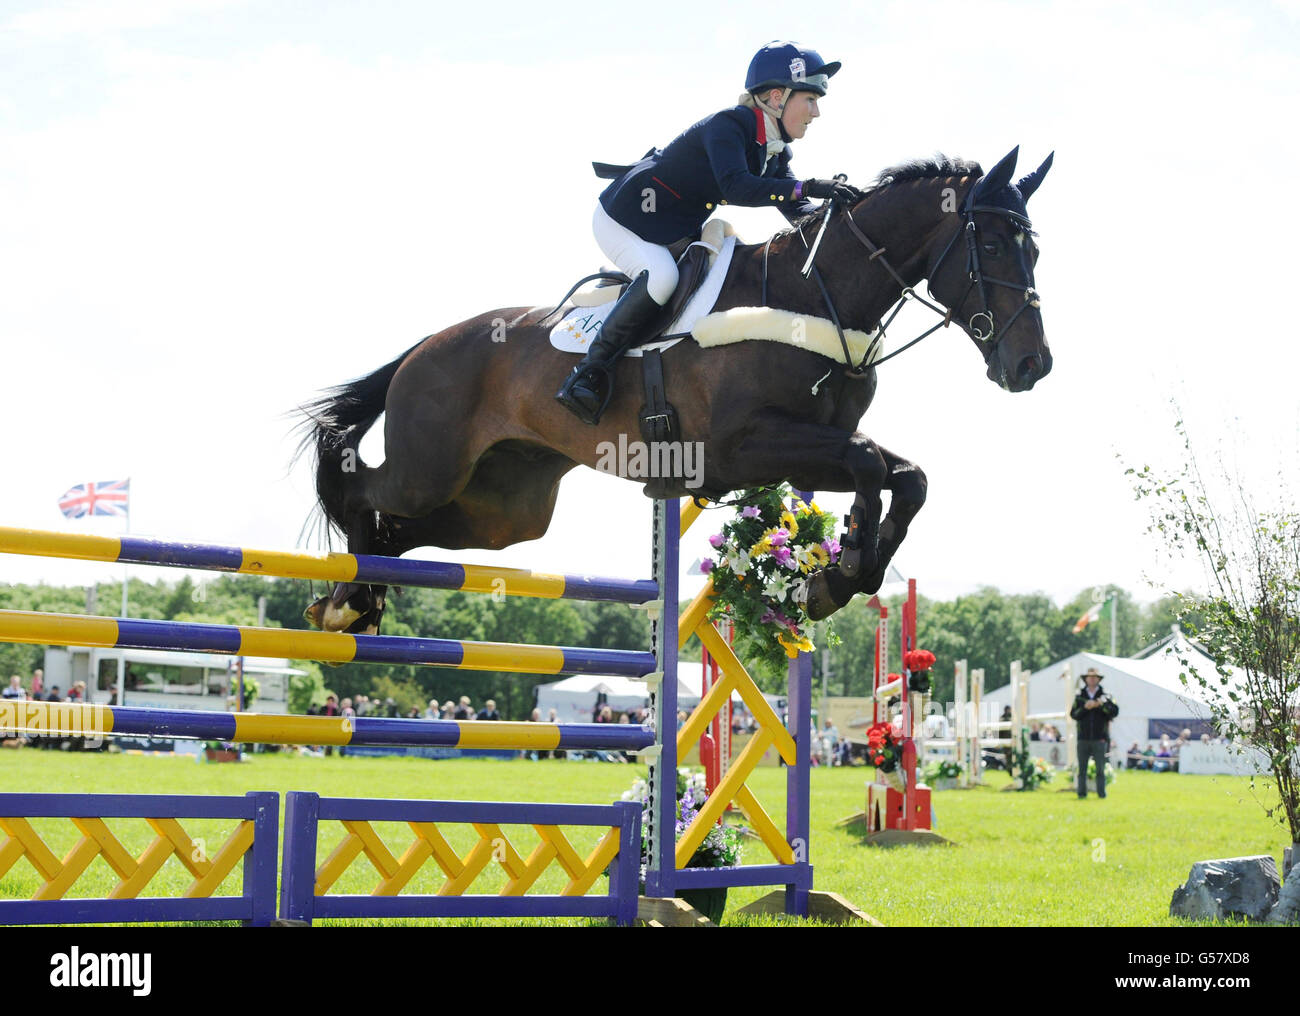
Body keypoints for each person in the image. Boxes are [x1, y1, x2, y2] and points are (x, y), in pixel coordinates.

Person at [555, 41, 862, 424]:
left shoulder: (775, 150)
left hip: (671, 227)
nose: (816, 112)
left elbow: (796, 209)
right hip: (624, 219)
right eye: (810, 99)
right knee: (662, 277)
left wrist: (843, 221)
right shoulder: (728, 126)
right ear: (776, 97)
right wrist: (809, 186)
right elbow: (738, 187)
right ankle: (588, 374)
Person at [1069, 667, 1119, 798]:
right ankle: (1081, 793)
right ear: (1086, 679)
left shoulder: (1106, 695)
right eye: (1089, 677)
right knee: (1082, 769)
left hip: (1100, 738)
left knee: (1100, 769)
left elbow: (1114, 711)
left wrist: (1100, 705)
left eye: (1094, 677)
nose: (1091, 679)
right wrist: (1085, 708)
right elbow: (1073, 714)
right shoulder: (1079, 696)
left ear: (1098, 679)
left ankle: (1101, 794)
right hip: (1083, 738)